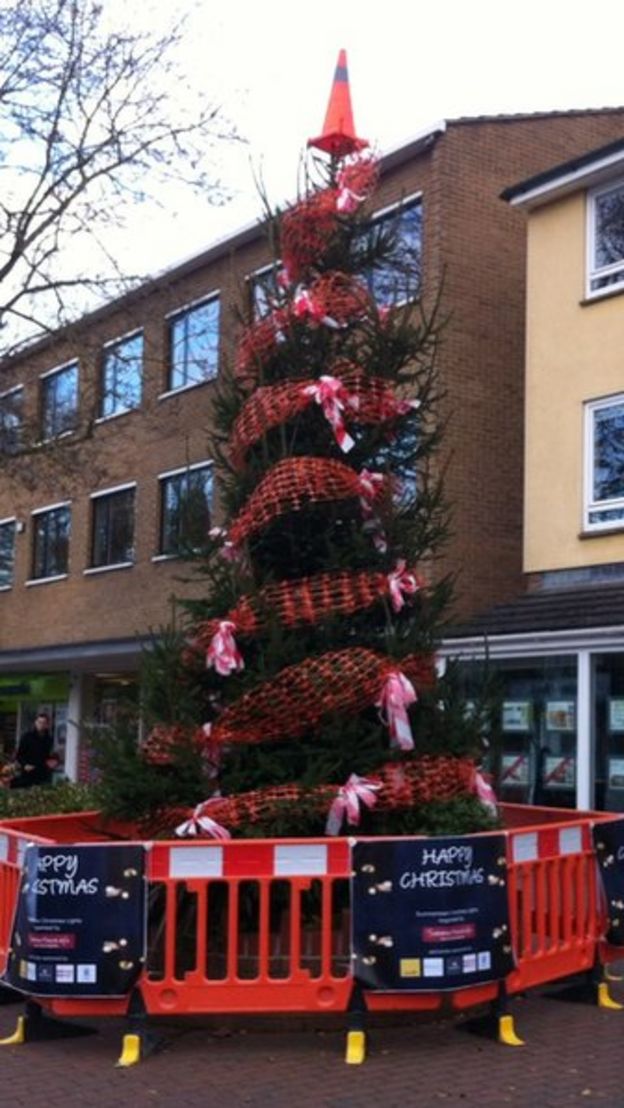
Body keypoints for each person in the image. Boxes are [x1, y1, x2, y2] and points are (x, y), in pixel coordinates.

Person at [9, 711, 59, 789]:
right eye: (39, 722)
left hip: (43, 773)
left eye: (43, 723)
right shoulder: (27, 737)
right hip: (28, 773)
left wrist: (53, 761)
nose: (41, 725)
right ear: (35, 723)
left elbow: (50, 755)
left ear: (47, 725)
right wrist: (25, 765)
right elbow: (19, 755)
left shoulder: (49, 739)